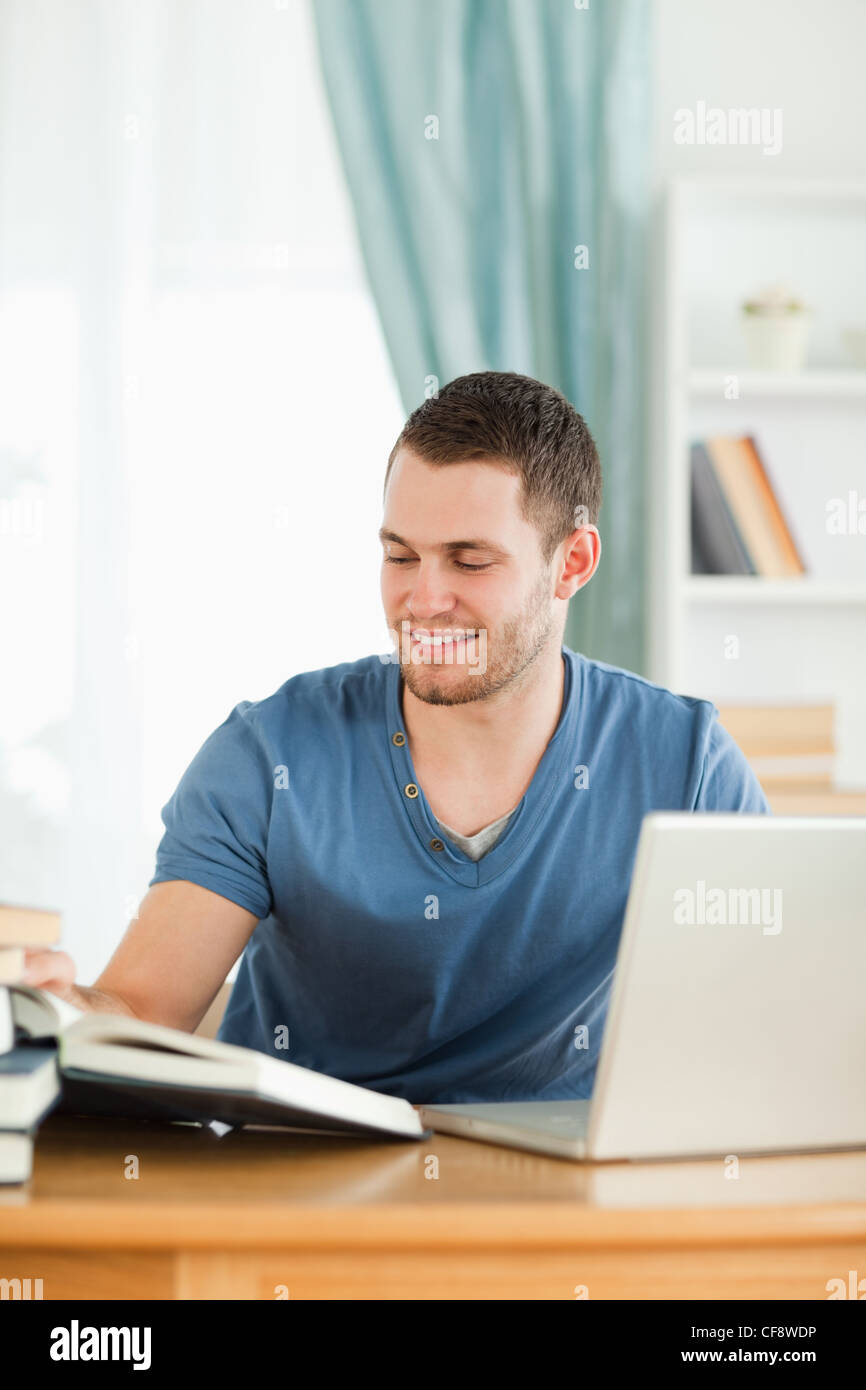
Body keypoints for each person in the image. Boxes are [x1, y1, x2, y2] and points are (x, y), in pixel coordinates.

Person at [24, 371, 769, 1103]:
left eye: (470, 561)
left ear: (570, 563)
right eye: (401, 556)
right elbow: (142, 1015)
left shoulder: (687, 764)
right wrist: (57, 1013)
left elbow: (770, 1021)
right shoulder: (269, 755)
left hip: (563, 1210)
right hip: (302, 1193)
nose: (423, 600)